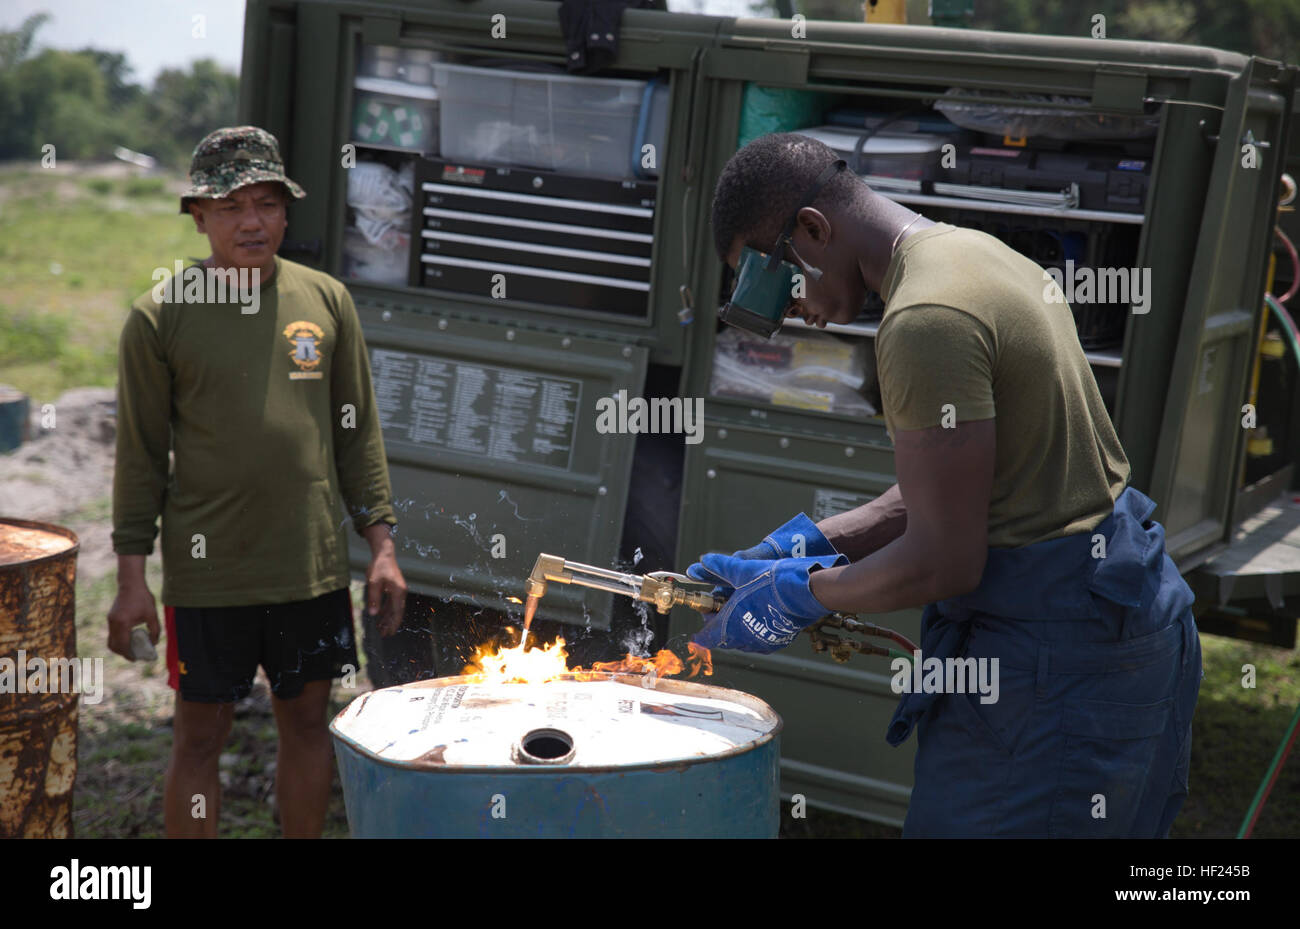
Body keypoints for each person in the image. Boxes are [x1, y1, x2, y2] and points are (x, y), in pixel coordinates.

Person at [688, 132, 1202, 838]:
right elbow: (967, 488)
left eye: (771, 282)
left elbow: (944, 559)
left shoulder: (924, 321)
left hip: (1060, 664)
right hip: (1111, 618)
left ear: (813, 229)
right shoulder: (971, 254)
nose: (786, 314)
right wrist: (805, 544)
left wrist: (800, 595)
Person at [107, 126, 408, 838]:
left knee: (309, 724)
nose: (252, 221)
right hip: (209, 579)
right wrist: (129, 579)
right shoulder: (160, 317)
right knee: (200, 737)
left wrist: (383, 546)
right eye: (233, 205)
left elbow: (357, 434)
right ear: (198, 215)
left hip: (308, 569)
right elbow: (141, 457)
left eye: (269, 204)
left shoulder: (327, 301)